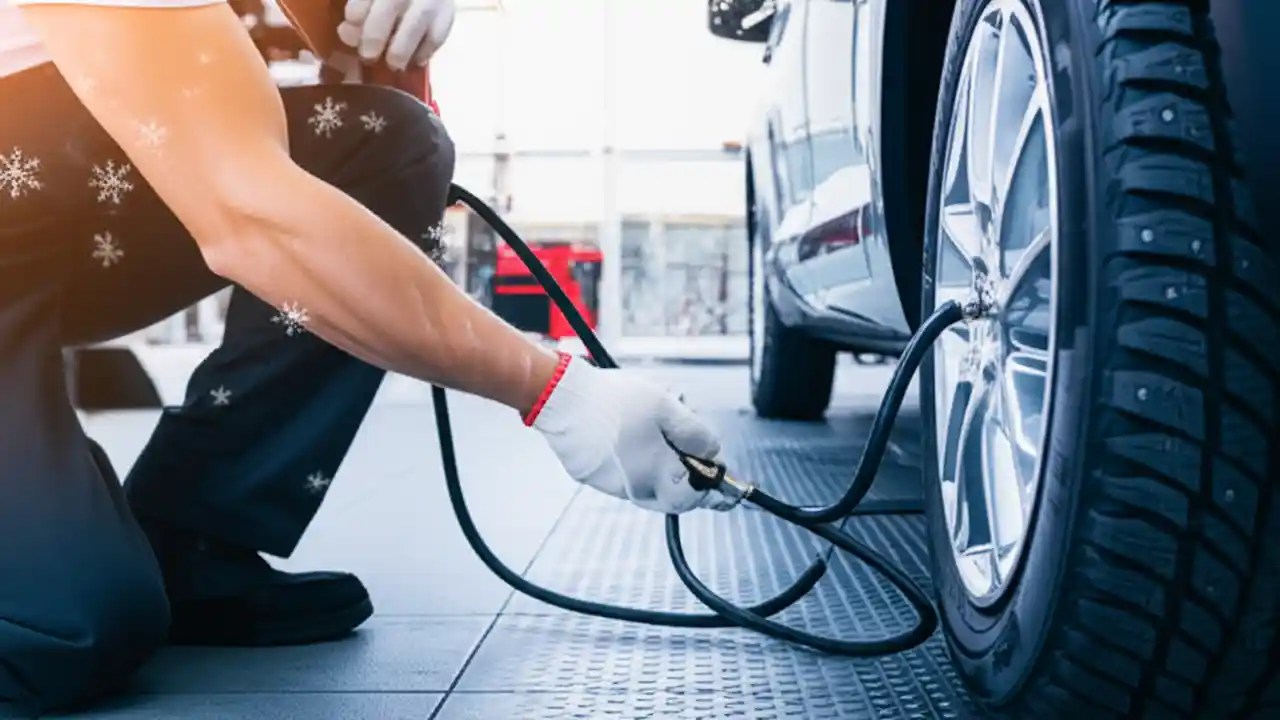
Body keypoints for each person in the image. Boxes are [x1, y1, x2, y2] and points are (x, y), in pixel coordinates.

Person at [0, 0, 735, 714]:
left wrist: (383, 52)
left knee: (385, 143)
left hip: (42, 193)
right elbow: (251, 215)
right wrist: (553, 391)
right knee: (67, 625)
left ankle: (190, 538)